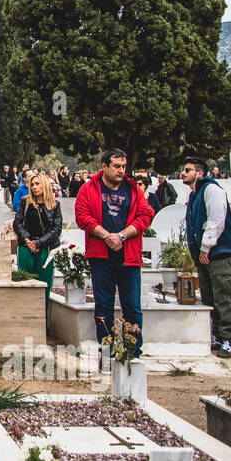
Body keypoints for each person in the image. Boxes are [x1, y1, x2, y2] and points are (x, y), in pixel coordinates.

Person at [75, 149, 155, 357]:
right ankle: (108, 350)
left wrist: (122, 235)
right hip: (101, 256)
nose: (121, 171)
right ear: (104, 167)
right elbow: (82, 216)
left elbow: (146, 214)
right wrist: (106, 236)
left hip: (128, 255)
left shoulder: (133, 189)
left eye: (123, 167)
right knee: (103, 306)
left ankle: (132, 351)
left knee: (132, 306)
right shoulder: (89, 188)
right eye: (116, 166)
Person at [181, 158, 231, 358]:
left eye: (187, 170)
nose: (183, 173)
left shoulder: (211, 190)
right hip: (204, 254)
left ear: (199, 173)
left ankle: (229, 338)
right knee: (209, 297)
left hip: (218, 252)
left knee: (222, 295)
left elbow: (216, 220)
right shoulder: (195, 194)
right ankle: (215, 334)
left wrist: (206, 247)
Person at [12, 170, 61, 318]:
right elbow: (17, 223)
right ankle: (27, 319)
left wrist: (40, 242)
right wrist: (27, 239)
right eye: (32, 184)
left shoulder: (54, 205)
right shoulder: (26, 202)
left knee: (44, 285)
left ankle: (42, 322)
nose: (34, 187)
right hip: (26, 246)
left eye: (37, 184)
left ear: (44, 185)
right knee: (26, 283)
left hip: (45, 248)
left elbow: (56, 228)